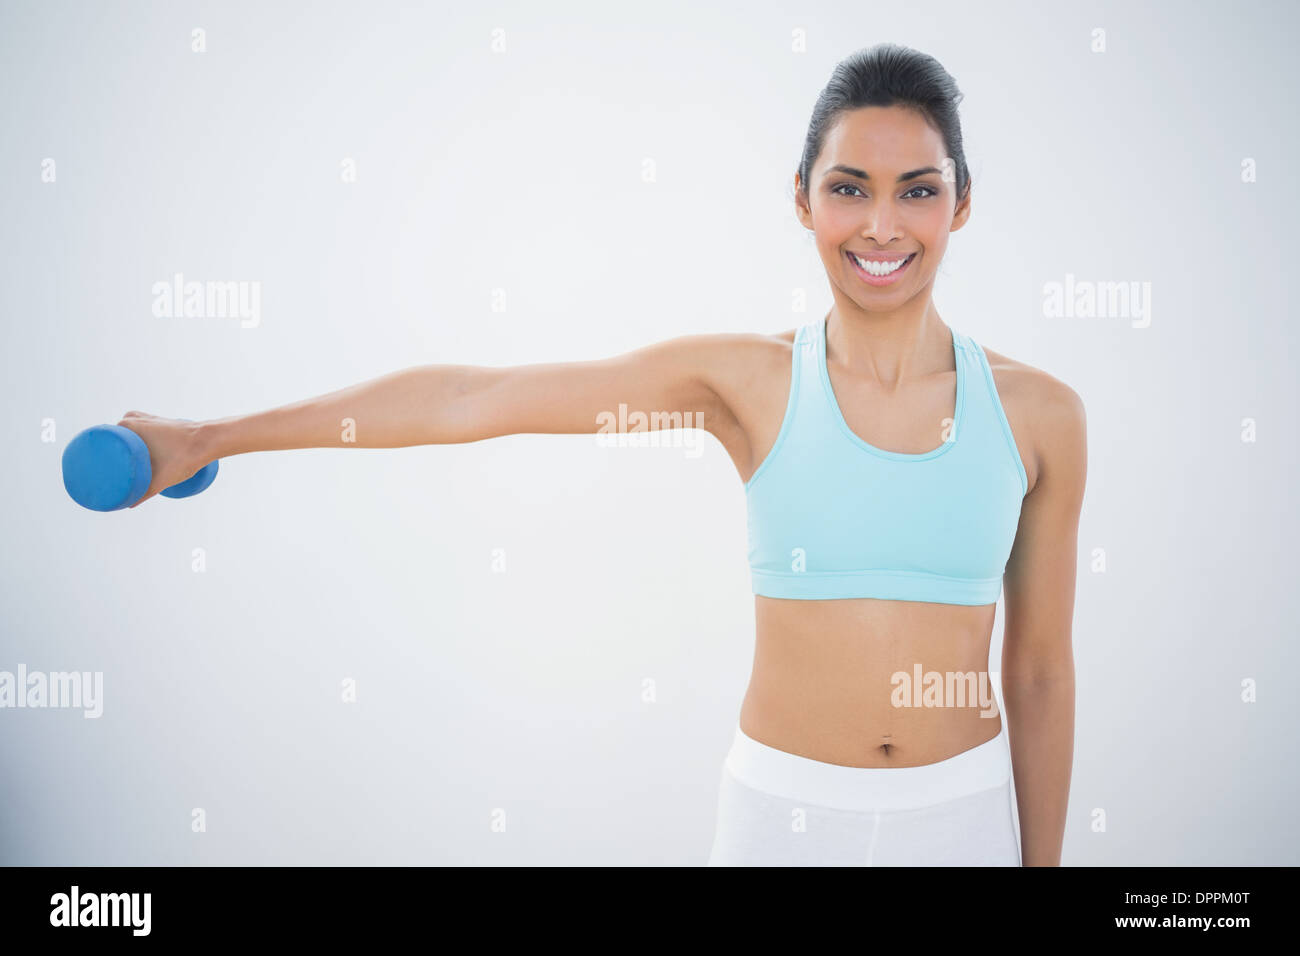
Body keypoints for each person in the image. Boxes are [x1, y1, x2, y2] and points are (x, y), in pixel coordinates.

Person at [115, 42, 1085, 866]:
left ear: (959, 204)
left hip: (963, 817)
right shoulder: (746, 385)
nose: (880, 224)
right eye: (848, 188)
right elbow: (476, 397)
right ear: (800, 200)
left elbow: (1037, 668)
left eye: (917, 190)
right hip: (783, 818)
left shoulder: (1039, 414)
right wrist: (207, 439)